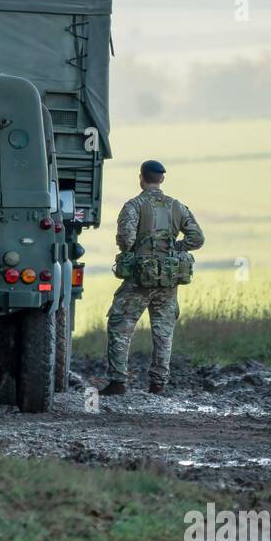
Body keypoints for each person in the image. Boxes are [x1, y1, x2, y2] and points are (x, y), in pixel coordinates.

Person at [102, 159, 204, 396]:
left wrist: (139, 250)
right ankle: (158, 384)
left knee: (120, 325)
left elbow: (126, 240)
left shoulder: (133, 206)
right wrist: (174, 249)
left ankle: (118, 382)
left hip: (139, 279)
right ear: (162, 179)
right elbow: (197, 239)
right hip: (168, 281)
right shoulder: (177, 206)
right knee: (163, 330)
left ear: (141, 178)